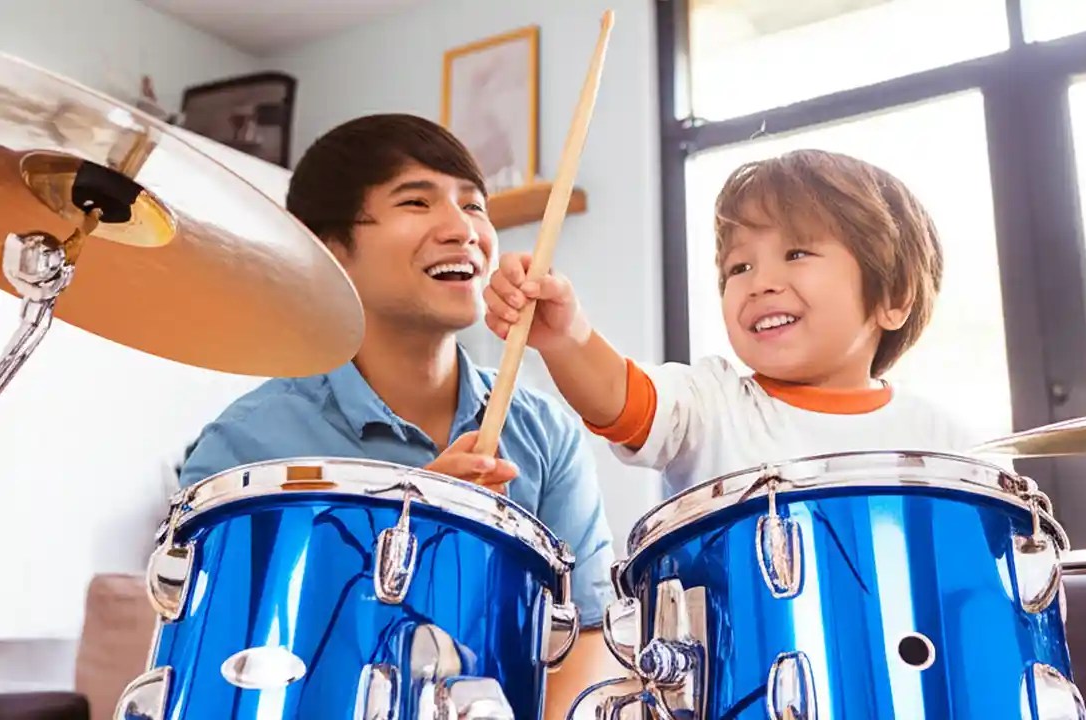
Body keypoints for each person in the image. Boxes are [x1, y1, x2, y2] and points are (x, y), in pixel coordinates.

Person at [177, 114, 621, 715]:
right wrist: (415, 518)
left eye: (474, 205)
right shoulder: (246, 446)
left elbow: (584, 636)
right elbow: (221, 664)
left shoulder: (545, 432)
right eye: (416, 201)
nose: (463, 229)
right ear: (330, 250)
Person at [482, 148, 975, 493]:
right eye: (738, 267)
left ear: (892, 296)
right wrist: (566, 337)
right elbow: (619, 399)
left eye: (796, 252)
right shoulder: (711, 404)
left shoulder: (944, 439)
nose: (760, 282)